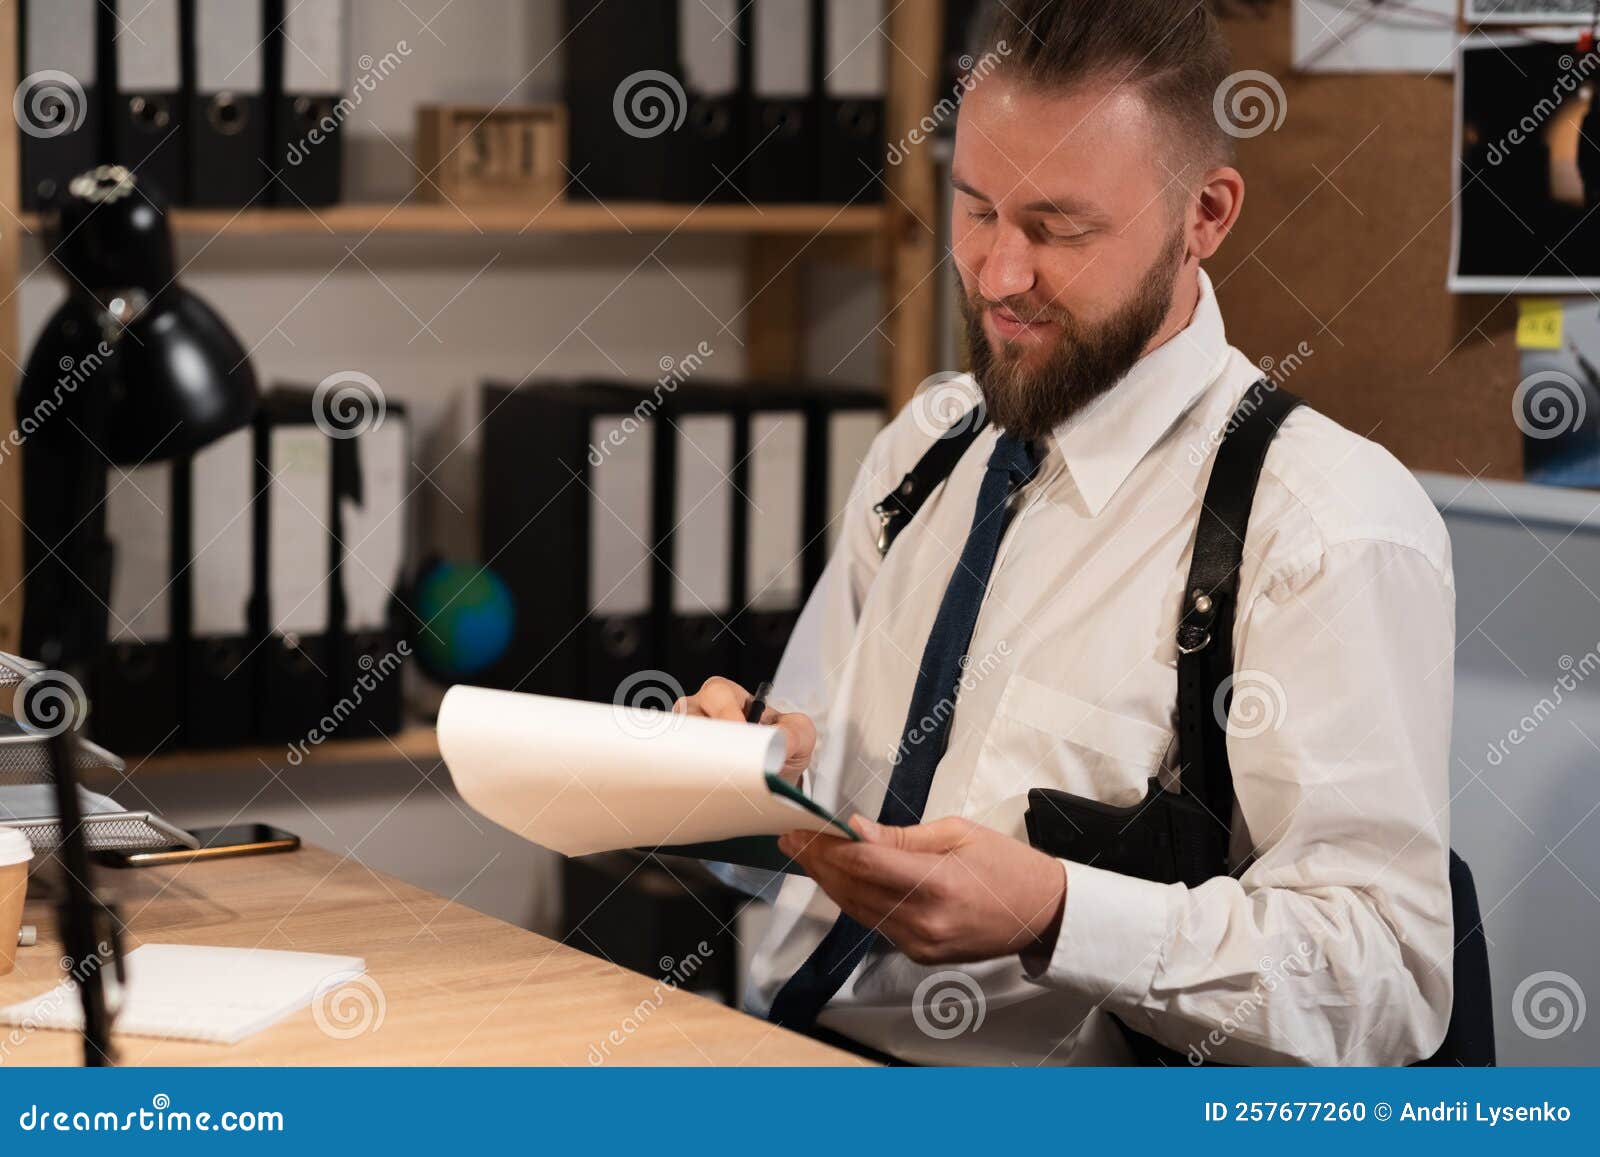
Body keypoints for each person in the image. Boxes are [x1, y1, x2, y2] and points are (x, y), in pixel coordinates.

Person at [676, 0, 1454, 1066]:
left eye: (1058, 228)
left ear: (1205, 215)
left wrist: (1058, 912)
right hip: (777, 1049)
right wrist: (739, 767)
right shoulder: (929, 441)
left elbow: (1385, 979)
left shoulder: (1323, 525)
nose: (999, 274)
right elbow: (810, 803)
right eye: (976, 209)